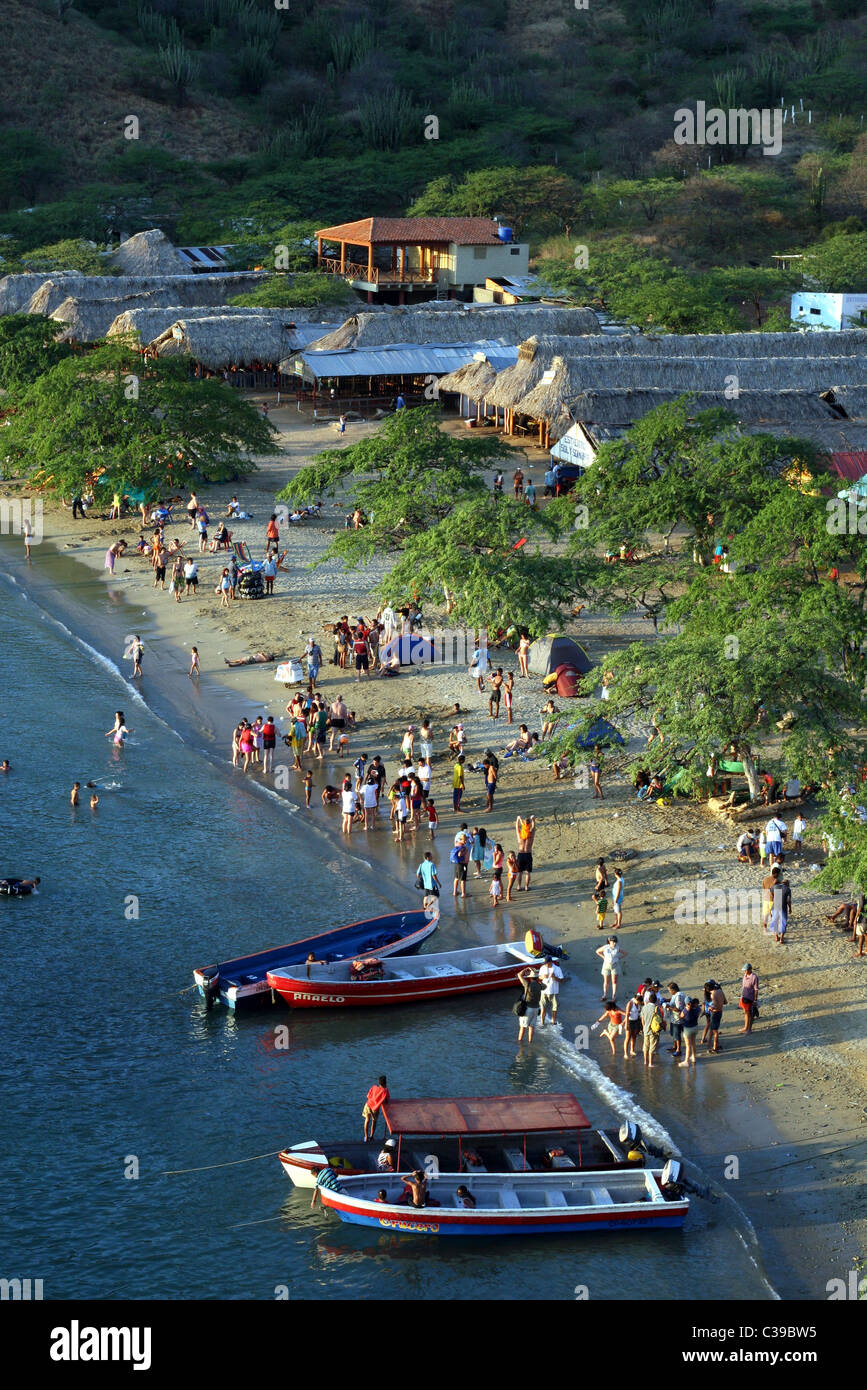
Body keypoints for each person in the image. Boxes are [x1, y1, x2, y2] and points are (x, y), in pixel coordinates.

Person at [517, 966, 543, 1044]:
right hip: (536, 1009)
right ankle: (530, 1042)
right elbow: (544, 984)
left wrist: (526, 968)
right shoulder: (540, 986)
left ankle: (520, 1043)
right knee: (531, 1027)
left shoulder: (527, 985)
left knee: (522, 1027)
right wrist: (538, 976)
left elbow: (519, 975)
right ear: (536, 978)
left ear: (530, 977)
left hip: (528, 1009)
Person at [597, 935, 624, 1002]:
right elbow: (597, 951)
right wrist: (603, 957)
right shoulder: (605, 947)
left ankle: (613, 996)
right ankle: (604, 995)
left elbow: (625, 953)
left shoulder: (617, 948)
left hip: (615, 966)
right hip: (606, 966)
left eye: (615, 942)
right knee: (606, 982)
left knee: (614, 982)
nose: (615, 943)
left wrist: (618, 958)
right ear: (609, 941)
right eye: (613, 942)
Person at [538, 956, 564, 1026]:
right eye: (544, 963)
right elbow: (539, 978)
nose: (545, 964)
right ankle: (542, 1023)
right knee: (543, 1008)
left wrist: (554, 977)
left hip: (554, 992)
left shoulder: (557, 969)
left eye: (546, 963)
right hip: (543, 991)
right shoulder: (542, 968)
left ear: (550, 962)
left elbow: (562, 980)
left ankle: (553, 1021)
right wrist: (542, 977)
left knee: (554, 1008)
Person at [641, 990, 664, 1068]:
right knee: (652, 1047)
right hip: (654, 1030)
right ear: (656, 1000)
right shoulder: (656, 1008)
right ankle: (650, 1063)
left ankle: (645, 1061)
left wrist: (644, 1027)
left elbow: (642, 1019)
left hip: (645, 1030)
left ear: (649, 1000)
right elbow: (659, 1019)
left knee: (645, 1046)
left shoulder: (644, 1007)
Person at [362, 1076, 389, 1141]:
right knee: (374, 1122)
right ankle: (371, 1137)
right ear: (385, 1083)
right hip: (375, 1108)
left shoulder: (373, 1087)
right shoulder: (385, 1091)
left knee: (367, 1120)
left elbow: (368, 1096)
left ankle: (365, 1137)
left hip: (368, 1105)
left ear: (379, 1082)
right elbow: (387, 1100)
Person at [666, 981, 688, 1059]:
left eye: (669, 990)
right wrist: (666, 1000)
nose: (669, 992)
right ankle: (674, 1046)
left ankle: (678, 1050)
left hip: (677, 1019)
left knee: (677, 1035)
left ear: (673, 990)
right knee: (674, 1034)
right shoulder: (678, 994)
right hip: (674, 1019)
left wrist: (669, 1007)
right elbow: (672, 999)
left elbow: (679, 1009)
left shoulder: (679, 996)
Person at [769, 874, 792, 944]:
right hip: (783, 908)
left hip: (775, 907)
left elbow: (771, 891)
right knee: (783, 922)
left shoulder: (775, 887)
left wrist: (773, 898)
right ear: (787, 884)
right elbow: (788, 900)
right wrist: (790, 908)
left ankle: (776, 937)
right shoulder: (787, 889)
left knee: (774, 921)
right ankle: (781, 938)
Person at [678, 997, 701, 1067]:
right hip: (695, 1027)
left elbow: (681, 1017)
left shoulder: (685, 1010)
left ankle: (686, 1061)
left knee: (688, 1046)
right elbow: (699, 1012)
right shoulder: (697, 1008)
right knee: (693, 1043)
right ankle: (693, 1057)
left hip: (687, 1029)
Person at [515, 815, 535, 891]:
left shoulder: (520, 836)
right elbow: (533, 828)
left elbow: (517, 828)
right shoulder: (530, 836)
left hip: (521, 855)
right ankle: (526, 886)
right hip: (528, 854)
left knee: (520, 872)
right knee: (528, 872)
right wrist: (533, 820)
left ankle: (519, 886)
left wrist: (518, 820)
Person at [707, 980, 728, 1051]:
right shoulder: (720, 991)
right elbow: (725, 1002)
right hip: (720, 1012)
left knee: (714, 1031)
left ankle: (715, 1047)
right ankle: (717, 1044)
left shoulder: (712, 994)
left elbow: (715, 1006)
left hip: (715, 1013)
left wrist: (710, 1008)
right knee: (716, 1029)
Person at [623, 990, 643, 1059]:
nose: (639, 1003)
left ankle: (632, 1050)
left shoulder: (639, 1003)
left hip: (636, 1021)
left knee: (634, 1036)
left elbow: (639, 1012)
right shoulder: (630, 1003)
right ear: (635, 999)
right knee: (628, 1038)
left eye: (640, 1002)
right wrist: (625, 1024)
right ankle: (625, 1053)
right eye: (638, 1002)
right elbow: (627, 1014)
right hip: (630, 1021)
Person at [740, 964, 759, 1033]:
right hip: (744, 997)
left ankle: (749, 1029)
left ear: (749, 970)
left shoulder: (754, 977)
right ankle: (745, 1027)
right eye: (744, 970)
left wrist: (755, 1000)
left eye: (745, 970)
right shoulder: (745, 976)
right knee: (746, 1012)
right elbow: (743, 987)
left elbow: (756, 989)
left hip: (750, 998)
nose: (744, 971)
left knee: (751, 1014)